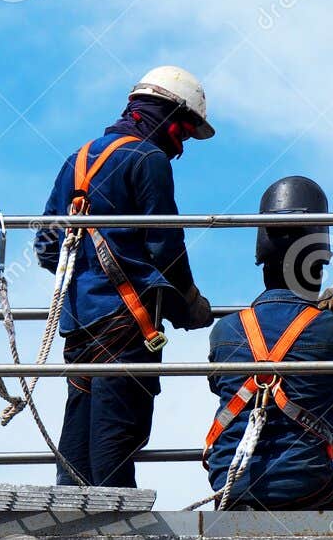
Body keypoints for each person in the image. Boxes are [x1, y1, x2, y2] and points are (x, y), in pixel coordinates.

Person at [35, 66, 216, 488]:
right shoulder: (148, 159)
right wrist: (188, 304)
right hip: (127, 326)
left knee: (77, 447)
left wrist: (85, 277)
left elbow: (46, 246)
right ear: (166, 115)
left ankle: (71, 534)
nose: (181, 147)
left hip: (79, 326)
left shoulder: (77, 160)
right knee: (117, 437)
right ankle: (119, 537)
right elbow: (164, 249)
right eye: (184, 133)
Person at [202, 175, 333, 510]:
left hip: (230, 488)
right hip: (303, 488)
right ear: (318, 269)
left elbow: (219, 384)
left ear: (262, 265)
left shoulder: (226, 329)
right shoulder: (330, 327)